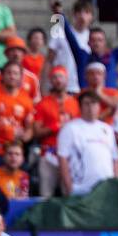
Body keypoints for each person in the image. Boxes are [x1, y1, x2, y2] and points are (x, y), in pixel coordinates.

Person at [56, 89, 118, 196]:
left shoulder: (107, 129)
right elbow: (62, 159)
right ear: (80, 107)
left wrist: (116, 184)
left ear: (99, 106)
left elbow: (115, 159)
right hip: (80, 188)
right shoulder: (70, 128)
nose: (91, 108)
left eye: (94, 103)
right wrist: (70, 187)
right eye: (87, 104)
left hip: (106, 187)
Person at [32, 66, 77, 197]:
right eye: (55, 77)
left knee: (69, 194)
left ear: (67, 80)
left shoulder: (74, 103)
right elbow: (37, 132)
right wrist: (55, 126)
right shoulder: (42, 104)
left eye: (61, 77)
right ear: (50, 80)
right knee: (45, 194)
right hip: (48, 154)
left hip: (70, 156)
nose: (58, 80)